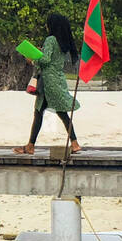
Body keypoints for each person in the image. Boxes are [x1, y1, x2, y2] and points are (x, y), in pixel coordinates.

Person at [14, 13, 81, 155]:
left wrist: (32, 59)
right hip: (58, 79)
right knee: (61, 113)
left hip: (47, 82)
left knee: (38, 112)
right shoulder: (63, 42)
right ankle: (74, 144)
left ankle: (31, 146)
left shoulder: (50, 39)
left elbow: (45, 60)